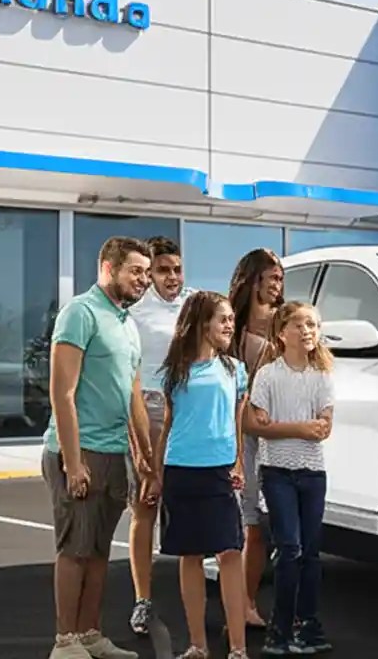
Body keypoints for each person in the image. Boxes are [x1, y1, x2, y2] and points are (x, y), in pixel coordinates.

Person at [41, 237, 155, 659]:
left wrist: (146, 461)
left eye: (147, 272)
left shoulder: (127, 324)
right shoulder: (80, 312)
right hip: (79, 451)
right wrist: (73, 463)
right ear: (109, 268)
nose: (144, 280)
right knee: (74, 550)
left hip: (113, 454)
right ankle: (65, 642)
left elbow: (134, 398)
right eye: (136, 271)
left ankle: (90, 635)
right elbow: (62, 393)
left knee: (99, 552)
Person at [147, 291, 252, 659]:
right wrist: (156, 475)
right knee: (189, 557)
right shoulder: (174, 372)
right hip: (180, 472)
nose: (229, 325)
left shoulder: (235, 370)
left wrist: (239, 463)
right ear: (202, 323)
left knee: (229, 554)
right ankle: (197, 645)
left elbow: (238, 424)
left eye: (230, 319)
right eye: (222, 319)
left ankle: (238, 648)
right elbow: (170, 424)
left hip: (219, 472)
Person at [247, 301, 336, 655]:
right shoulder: (268, 375)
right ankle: (279, 631)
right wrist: (300, 427)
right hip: (277, 472)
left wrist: (284, 428)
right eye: (299, 325)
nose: (307, 331)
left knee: (311, 553)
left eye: (312, 325)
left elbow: (324, 428)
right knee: (289, 549)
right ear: (282, 333)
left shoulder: (322, 377)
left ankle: (307, 625)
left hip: (313, 473)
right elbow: (258, 425)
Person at [124, 235, 195, 635]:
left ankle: (194, 596)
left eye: (177, 269)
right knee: (146, 506)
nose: (172, 277)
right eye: (164, 270)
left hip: (190, 414)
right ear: (149, 274)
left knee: (190, 506)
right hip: (150, 412)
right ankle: (142, 600)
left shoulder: (195, 304)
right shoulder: (134, 316)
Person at [227, 248, 285, 629]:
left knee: (267, 523)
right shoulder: (231, 325)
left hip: (281, 434)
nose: (278, 286)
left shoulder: (286, 321)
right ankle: (243, 604)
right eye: (272, 278)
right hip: (242, 434)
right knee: (250, 521)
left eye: (280, 279)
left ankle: (251, 601)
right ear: (253, 280)